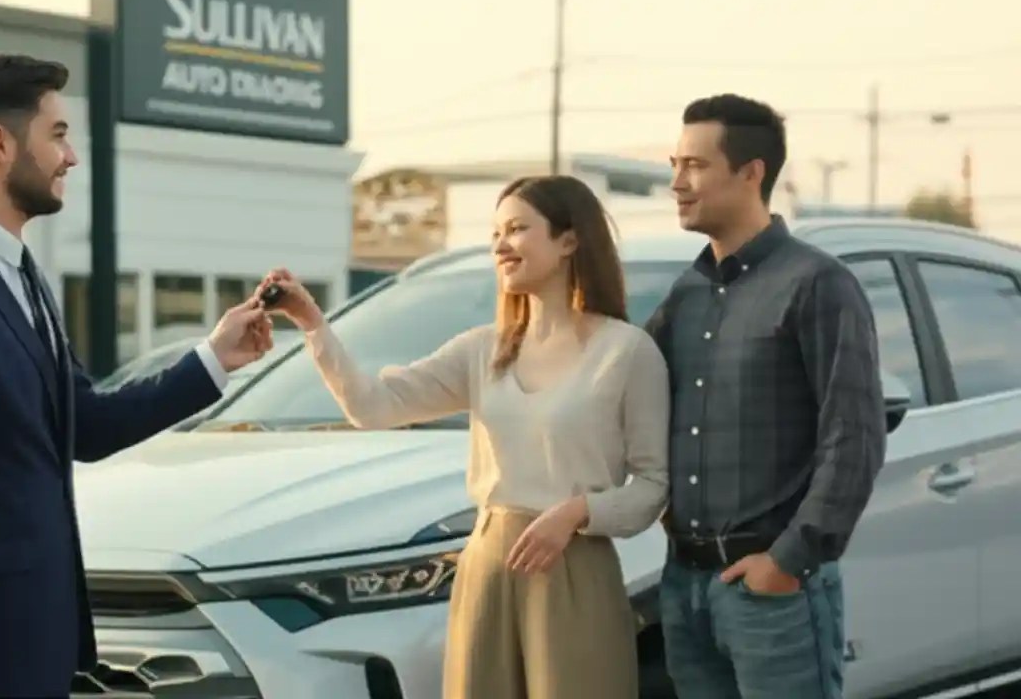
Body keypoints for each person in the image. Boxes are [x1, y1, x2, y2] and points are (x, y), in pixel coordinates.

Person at [0, 53, 272, 699]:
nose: (70, 156)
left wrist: (213, 359)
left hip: (36, 660)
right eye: (56, 135)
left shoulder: (25, 277)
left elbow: (87, 423)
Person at [258, 175, 670, 699]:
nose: (500, 245)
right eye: (495, 232)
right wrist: (312, 324)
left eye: (517, 229)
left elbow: (653, 485)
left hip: (574, 567)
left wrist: (576, 513)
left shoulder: (627, 352)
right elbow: (372, 406)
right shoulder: (481, 351)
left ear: (569, 240)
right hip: (486, 565)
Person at [645, 93, 886, 699]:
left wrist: (787, 563)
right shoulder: (685, 296)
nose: (677, 182)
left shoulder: (817, 285)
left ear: (752, 173)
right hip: (683, 585)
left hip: (772, 588)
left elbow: (854, 437)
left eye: (695, 165)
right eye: (675, 163)